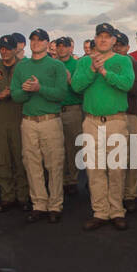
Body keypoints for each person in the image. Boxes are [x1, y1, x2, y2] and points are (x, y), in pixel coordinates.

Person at [71, 22, 135, 230]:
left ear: (114, 40)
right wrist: (92, 69)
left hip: (116, 120)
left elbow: (127, 84)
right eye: (100, 36)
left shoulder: (123, 61)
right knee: (94, 169)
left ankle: (116, 210)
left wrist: (105, 72)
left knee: (116, 168)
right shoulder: (83, 62)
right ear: (95, 39)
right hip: (91, 121)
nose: (103, 40)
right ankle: (100, 211)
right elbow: (77, 86)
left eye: (108, 37)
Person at [11, 28, 69, 222]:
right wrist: (27, 91)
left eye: (40, 40)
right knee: (31, 164)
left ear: (47, 43)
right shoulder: (22, 66)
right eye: (33, 39)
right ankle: (39, 204)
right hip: (28, 121)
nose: (36, 43)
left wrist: (39, 88)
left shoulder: (56, 66)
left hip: (50, 120)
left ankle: (55, 205)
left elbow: (61, 94)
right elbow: (15, 95)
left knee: (54, 164)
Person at [0, 35, 29, 211]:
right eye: (2, 48)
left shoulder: (24, 67)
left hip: (20, 116)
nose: (5, 51)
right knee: (2, 158)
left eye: (8, 48)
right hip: (0, 117)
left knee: (20, 157)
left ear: (15, 49)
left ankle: (23, 196)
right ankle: (7, 196)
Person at [113, 31, 137, 211]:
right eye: (115, 44)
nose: (117, 48)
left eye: (121, 45)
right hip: (111, 116)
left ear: (127, 47)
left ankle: (130, 194)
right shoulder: (106, 63)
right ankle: (115, 195)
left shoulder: (134, 64)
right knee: (113, 159)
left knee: (131, 158)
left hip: (130, 115)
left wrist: (118, 80)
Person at [52, 36, 84, 197]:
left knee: (73, 146)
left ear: (70, 48)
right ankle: (61, 180)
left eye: (65, 46)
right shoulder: (52, 64)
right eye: (59, 46)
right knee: (57, 147)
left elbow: (82, 90)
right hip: (55, 110)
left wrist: (70, 80)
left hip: (72, 109)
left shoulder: (77, 64)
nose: (62, 49)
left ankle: (73, 179)